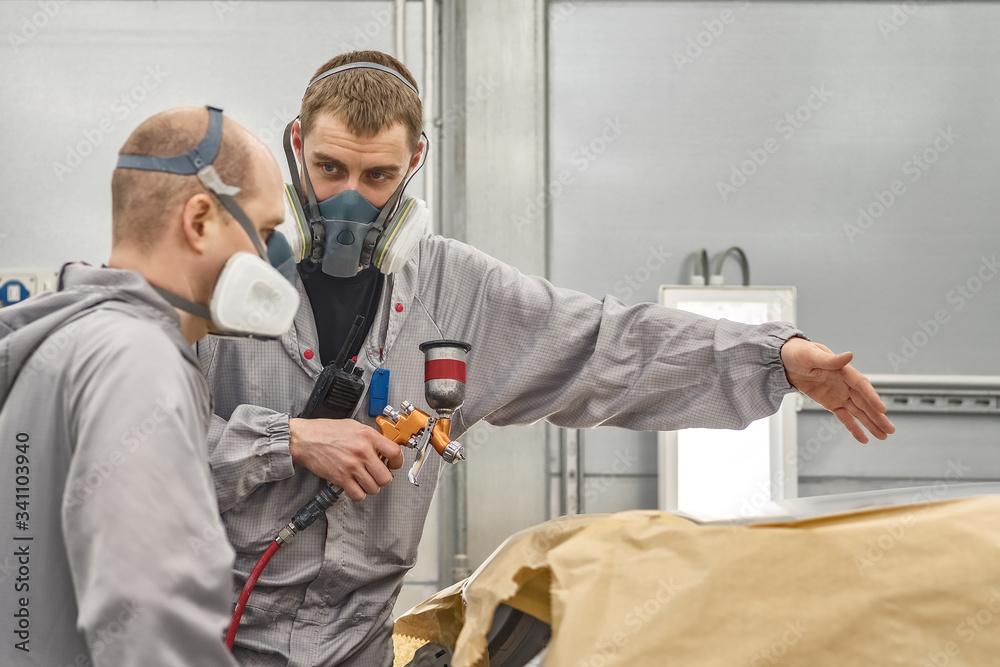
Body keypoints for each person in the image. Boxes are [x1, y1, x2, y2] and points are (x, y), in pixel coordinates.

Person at [199, 51, 895, 666]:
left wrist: (772, 357)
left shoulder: (456, 293)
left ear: (415, 162)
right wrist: (285, 439)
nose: (349, 197)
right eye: (329, 168)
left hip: (357, 647)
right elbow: (131, 440)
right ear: (296, 146)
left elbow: (609, 346)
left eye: (379, 175)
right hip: (204, 638)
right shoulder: (215, 276)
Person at [0, 105, 299, 666]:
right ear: (200, 219)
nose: (271, 259)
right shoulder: (138, 360)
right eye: (263, 230)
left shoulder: (61, 342)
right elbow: (151, 621)